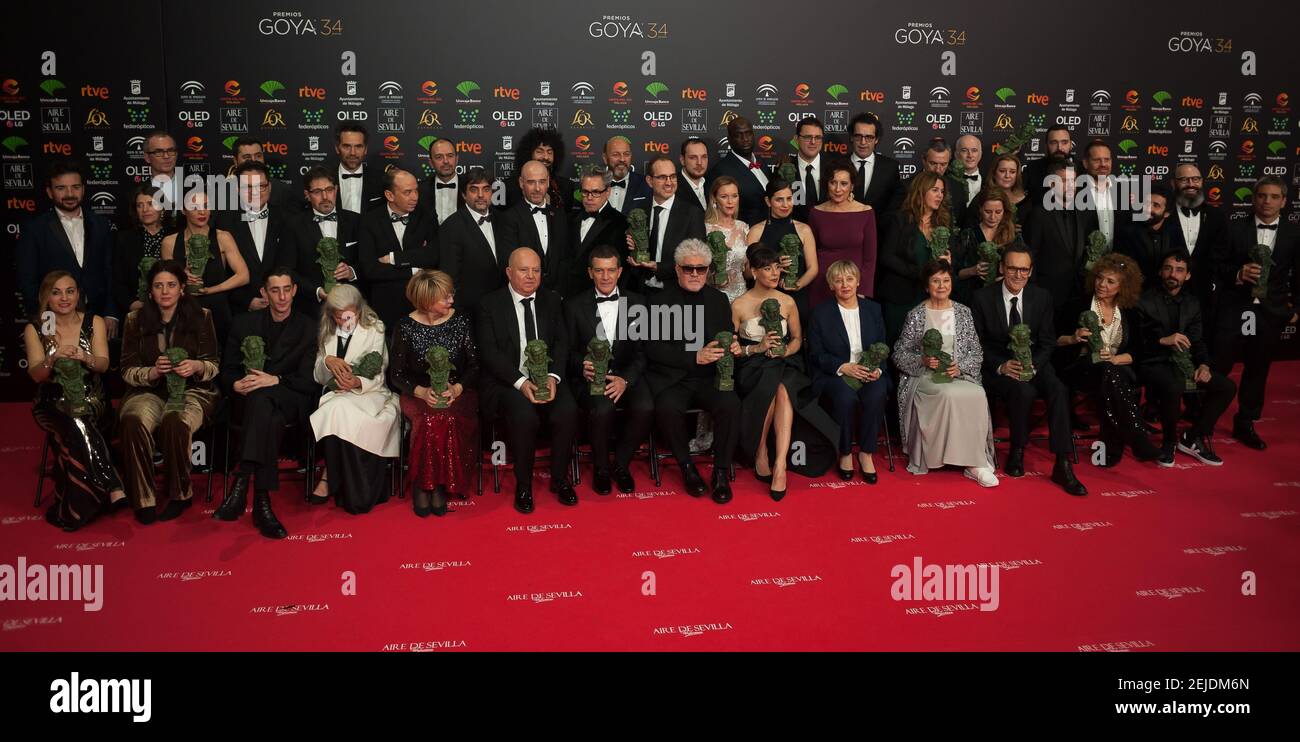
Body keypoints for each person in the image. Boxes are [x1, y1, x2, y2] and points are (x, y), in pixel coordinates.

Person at [970, 245, 1087, 494]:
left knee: (1058, 390)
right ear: (1002, 268)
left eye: (1024, 269)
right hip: (999, 366)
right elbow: (977, 343)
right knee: (1023, 391)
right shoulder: (982, 298)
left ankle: (1063, 463)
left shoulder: (1041, 297)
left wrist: (1033, 365)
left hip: (1035, 362)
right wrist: (1001, 366)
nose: (1018, 275)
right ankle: (1017, 449)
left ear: (1031, 271)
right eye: (1013, 268)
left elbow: (1048, 341)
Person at [730, 243, 840, 501]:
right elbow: (733, 350)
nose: (774, 273)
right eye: (767, 268)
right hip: (752, 365)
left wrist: (784, 351)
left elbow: (798, 339)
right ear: (754, 272)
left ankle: (779, 464)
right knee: (771, 384)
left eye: (777, 268)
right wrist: (757, 348)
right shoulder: (739, 305)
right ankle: (760, 452)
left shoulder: (788, 301)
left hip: (785, 362)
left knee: (781, 387)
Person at [213, 268, 317, 538]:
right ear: (264, 292)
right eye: (275, 290)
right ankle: (262, 502)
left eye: (287, 289)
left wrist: (276, 379)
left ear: (295, 290)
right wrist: (235, 384)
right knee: (266, 413)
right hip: (251, 401)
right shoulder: (243, 323)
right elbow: (227, 370)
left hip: (289, 396)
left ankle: (242, 479)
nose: (282, 297)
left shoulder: (308, 327)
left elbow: (308, 381)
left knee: (263, 399)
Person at [475, 248, 578, 513]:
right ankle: (524, 485)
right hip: (507, 380)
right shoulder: (489, 304)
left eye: (536, 270)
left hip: (548, 377)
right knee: (525, 416)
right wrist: (521, 382)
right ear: (509, 272)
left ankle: (560, 479)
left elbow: (562, 343)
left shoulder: (553, 300)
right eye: (524, 270)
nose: (531, 276)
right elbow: (489, 353)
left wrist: (553, 377)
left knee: (567, 411)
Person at [118, 260, 221, 524]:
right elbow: (127, 370)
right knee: (132, 419)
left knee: (175, 420)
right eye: (158, 286)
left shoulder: (203, 316)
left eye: (171, 285)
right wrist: (152, 372)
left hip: (193, 390)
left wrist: (196, 366)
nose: (165, 291)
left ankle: (180, 494)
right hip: (148, 391)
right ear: (150, 291)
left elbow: (213, 365)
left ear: (182, 288)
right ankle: (144, 498)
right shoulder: (134, 320)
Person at [24, 272, 126, 530]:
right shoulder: (39, 327)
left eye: (70, 291)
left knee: (79, 417)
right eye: (56, 292)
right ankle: (111, 482)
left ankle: (77, 508)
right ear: (46, 297)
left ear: (78, 294)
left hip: (92, 397)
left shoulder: (93, 322)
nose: (64, 298)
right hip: (53, 401)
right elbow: (37, 376)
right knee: (75, 418)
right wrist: (52, 358)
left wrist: (85, 357)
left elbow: (103, 365)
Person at [643, 239, 741, 503]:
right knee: (666, 408)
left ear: (708, 270)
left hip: (710, 378)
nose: (695, 274)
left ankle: (721, 472)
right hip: (673, 379)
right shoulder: (658, 301)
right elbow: (652, 349)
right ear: (677, 269)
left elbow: (727, 335)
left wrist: (732, 345)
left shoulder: (719, 299)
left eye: (701, 268)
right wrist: (694, 356)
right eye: (689, 268)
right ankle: (687, 468)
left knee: (730, 405)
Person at [893, 260, 998, 487]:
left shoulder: (963, 312)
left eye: (946, 280)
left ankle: (975, 463)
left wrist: (960, 366)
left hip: (959, 375)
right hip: (924, 377)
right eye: (935, 281)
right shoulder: (916, 314)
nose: (941, 286)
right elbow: (899, 354)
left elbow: (976, 352)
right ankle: (949, 458)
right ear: (926, 286)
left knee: (977, 394)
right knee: (947, 394)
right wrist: (921, 360)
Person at [1213, 175, 1300, 450]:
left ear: (1284, 201)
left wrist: (1296, 308)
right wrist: (1238, 273)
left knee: (1258, 368)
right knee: (1220, 363)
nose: (1267, 201)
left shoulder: (1294, 233)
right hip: (1234, 307)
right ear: (1254, 198)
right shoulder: (1234, 228)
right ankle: (1203, 415)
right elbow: (1216, 266)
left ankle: (1246, 422)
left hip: (1270, 311)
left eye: (1274, 197)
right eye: (1262, 195)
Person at [388, 270, 480, 516]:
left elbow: (475, 366)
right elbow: (396, 374)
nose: (452, 300)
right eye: (445, 297)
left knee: (446, 416)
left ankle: (439, 484)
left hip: (459, 390)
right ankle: (423, 484)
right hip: (417, 392)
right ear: (427, 301)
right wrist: (420, 392)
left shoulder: (461, 320)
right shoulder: (405, 326)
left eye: (451, 294)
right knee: (429, 418)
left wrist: (457, 388)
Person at [563, 246, 653, 494]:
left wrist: (625, 379)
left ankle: (621, 465)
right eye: (599, 271)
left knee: (646, 408)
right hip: (591, 378)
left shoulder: (638, 302)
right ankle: (601, 468)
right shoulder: (573, 305)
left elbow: (643, 352)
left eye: (611, 270)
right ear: (590, 272)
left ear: (620, 272)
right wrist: (582, 366)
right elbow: (566, 351)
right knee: (603, 409)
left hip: (627, 373)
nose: (605, 277)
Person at [1057, 253, 1160, 466]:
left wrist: (1114, 358)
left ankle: (1113, 449)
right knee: (1108, 374)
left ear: (1123, 286)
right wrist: (1073, 338)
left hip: (1115, 371)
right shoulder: (1077, 304)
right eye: (1099, 278)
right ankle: (1137, 437)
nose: (1102, 284)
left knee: (1109, 374)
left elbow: (1139, 351)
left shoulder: (1130, 312)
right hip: (1080, 369)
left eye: (1110, 281)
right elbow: (1053, 340)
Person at [1137, 250, 1236, 466]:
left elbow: (1197, 341)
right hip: (1152, 361)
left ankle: (1192, 436)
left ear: (1188, 275)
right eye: (1168, 268)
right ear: (1160, 271)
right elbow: (1134, 341)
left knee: (1227, 387)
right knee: (1173, 385)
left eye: (1179, 270)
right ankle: (1169, 442)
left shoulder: (1192, 303)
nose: (1173, 274)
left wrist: (1204, 364)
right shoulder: (1143, 301)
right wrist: (1162, 340)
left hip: (1184, 363)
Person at [310, 284, 401, 513]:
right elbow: (318, 376)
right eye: (339, 316)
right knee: (336, 405)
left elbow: (379, 373)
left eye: (349, 315)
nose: (345, 321)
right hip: (336, 393)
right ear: (331, 314)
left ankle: (329, 475)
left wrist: (357, 382)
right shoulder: (327, 329)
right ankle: (334, 476)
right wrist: (327, 361)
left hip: (369, 394)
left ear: (359, 310)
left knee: (335, 408)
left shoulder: (375, 328)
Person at [808, 260, 890, 483]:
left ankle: (866, 453)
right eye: (838, 280)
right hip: (836, 373)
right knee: (845, 398)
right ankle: (844, 452)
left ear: (858, 282)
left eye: (849, 279)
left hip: (868, 372)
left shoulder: (873, 309)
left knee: (877, 393)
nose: (845, 284)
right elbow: (816, 354)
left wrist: (877, 370)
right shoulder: (820, 313)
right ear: (831, 285)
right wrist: (843, 367)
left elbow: (883, 344)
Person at [17, 160, 118, 335]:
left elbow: (110, 271)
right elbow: (27, 279)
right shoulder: (35, 229)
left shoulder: (101, 224)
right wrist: (43, 318)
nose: (70, 194)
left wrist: (111, 312)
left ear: (83, 189)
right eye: (61, 188)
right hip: (54, 320)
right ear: (50, 192)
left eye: (75, 187)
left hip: (98, 316)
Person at [160, 190, 251, 347]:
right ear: (183, 210)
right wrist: (181, 276)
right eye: (195, 207)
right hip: (183, 310)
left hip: (218, 310)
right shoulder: (169, 242)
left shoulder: (223, 237)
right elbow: (166, 280)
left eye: (206, 206)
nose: (202, 212)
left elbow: (243, 276)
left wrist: (211, 290)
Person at [356, 168, 440, 327]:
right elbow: (370, 269)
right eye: (408, 192)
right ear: (390, 195)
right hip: (385, 305)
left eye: (416, 190)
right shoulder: (370, 220)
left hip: (421, 304)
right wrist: (413, 270)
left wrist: (394, 258)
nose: (415, 197)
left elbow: (433, 255)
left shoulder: (426, 215)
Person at [1026, 156, 1099, 332]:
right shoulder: (1038, 214)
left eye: (1073, 181)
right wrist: (1034, 293)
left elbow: (1093, 248)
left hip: (1080, 292)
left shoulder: (1087, 211)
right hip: (1048, 294)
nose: (1071, 186)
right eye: (1065, 181)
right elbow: (1030, 254)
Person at [878, 171, 952, 343]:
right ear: (921, 191)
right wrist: (919, 273)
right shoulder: (900, 219)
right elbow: (886, 256)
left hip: (931, 297)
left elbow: (948, 256)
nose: (940, 195)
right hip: (900, 296)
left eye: (942, 191)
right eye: (935, 190)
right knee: (897, 345)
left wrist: (948, 262)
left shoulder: (943, 222)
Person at [220, 161, 299, 317]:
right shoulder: (224, 222)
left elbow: (293, 264)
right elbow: (221, 272)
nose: (255, 192)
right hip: (239, 311)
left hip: (283, 308)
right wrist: (246, 300)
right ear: (237, 189)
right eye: (248, 187)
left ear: (269, 187)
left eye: (261, 186)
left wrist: (276, 296)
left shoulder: (288, 219)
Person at [624, 155, 707, 293]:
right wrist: (632, 247)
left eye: (672, 177)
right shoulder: (638, 210)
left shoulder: (692, 214)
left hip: (675, 291)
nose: (669, 182)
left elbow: (696, 258)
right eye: (662, 177)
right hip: (639, 290)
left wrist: (658, 267)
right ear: (649, 181)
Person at [290, 165, 361, 316]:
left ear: (336, 190)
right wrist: (316, 291)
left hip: (352, 307)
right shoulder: (294, 226)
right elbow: (287, 269)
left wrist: (352, 271)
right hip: (310, 310)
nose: (325, 197)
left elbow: (368, 261)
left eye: (329, 190)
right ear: (307, 195)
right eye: (317, 192)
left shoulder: (356, 221)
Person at [746, 179, 819, 320]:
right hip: (763, 300)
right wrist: (773, 264)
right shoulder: (756, 231)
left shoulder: (804, 230)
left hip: (797, 297)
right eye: (779, 200)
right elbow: (748, 273)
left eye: (789, 199)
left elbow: (813, 268)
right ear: (768, 201)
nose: (785, 205)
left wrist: (798, 284)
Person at [497, 160, 572, 293]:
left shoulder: (560, 215)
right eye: (531, 182)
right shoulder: (509, 218)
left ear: (548, 182)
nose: (537, 188)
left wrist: (558, 293)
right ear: (521, 183)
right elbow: (510, 262)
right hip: (524, 294)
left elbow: (564, 258)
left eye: (542, 182)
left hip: (556, 295)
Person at [809, 161, 877, 307]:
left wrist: (863, 289)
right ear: (827, 184)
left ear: (852, 186)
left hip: (853, 285)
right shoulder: (816, 212)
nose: (838, 189)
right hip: (823, 283)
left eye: (844, 183)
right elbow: (810, 254)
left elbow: (870, 258)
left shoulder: (865, 212)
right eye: (833, 182)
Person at [437, 168, 504, 315]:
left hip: (503, 306)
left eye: (486, 189)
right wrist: (458, 314)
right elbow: (450, 277)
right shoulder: (451, 226)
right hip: (471, 309)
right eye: (474, 190)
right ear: (463, 194)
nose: (481, 195)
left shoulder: (504, 220)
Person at [1166, 162, 1227, 312]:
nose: (1191, 184)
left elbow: (1221, 255)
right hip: (1166, 293)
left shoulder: (1216, 216)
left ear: (1202, 182)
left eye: (1195, 179)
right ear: (1173, 183)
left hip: (1205, 296)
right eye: (1184, 180)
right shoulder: (1164, 214)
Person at [953, 187, 1025, 304]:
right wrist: (973, 270)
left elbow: (1023, 266)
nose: (993, 217)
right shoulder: (968, 235)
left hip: (1004, 299)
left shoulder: (1013, 236)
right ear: (980, 209)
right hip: (971, 298)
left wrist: (1007, 278)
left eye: (998, 212)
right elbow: (955, 273)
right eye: (988, 211)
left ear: (1004, 211)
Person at [112, 183, 173, 320]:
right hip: (136, 310)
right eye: (140, 205)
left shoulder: (175, 235)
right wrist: (132, 304)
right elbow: (117, 279)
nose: (145, 209)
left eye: (151, 204)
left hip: (173, 309)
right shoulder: (124, 239)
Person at [568, 166, 628, 296]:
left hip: (602, 297)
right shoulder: (570, 220)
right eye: (585, 192)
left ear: (607, 192)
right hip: (570, 297)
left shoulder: (621, 223)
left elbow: (624, 271)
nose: (589, 197)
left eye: (595, 192)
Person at [705, 116, 770, 227]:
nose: (745, 139)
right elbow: (714, 209)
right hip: (744, 232)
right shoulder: (720, 171)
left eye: (748, 133)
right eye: (738, 135)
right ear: (729, 139)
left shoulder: (762, 163)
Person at [848, 112, 902, 232]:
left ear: (876, 139)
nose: (863, 142)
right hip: (844, 231)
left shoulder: (890, 167)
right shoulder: (837, 164)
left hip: (879, 234)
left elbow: (894, 206)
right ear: (851, 137)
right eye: (858, 136)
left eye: (869, 137)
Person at [1115, 181, 1174, 290]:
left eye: (1156, 205)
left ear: (1167, 213)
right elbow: (1121, 267)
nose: (1148, 209)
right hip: (1134, 292)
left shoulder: (1172, 234)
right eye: (1146, 203)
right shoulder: (1127, 233)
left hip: (1163, 294)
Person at [703, 176, 751, 303]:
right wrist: (713, 279)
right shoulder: (705, 229)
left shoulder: (744, 227)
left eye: (734, 196)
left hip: (741, 297)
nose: (730, 201)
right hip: (714, 298)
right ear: (714, 199)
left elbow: (747, 271)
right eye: (724, 197)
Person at [507, 127, 574, 211]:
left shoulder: (566, 187)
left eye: (549, 152)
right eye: (539, 151)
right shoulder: (511, 187)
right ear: (528, 154)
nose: (546, 157)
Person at [333, 123, 385, 213]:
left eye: (358, 146)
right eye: (346, 146)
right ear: (337, 148)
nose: (352, 153)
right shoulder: (325, 178)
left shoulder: (381, 179)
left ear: (365, 149)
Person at [1023, 124, 1076, 205]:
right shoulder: (1032, 168)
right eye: (1053, 143)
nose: (1059, 148)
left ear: (1070, 144)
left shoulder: (1081, 168)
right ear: (1046, 145)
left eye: (1064, 142)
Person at [790, 116, 827, 222]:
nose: (813, 142)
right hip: (796, 229)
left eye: (818, 137)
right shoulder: (785, 168)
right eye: (807, 137)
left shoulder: (833, 167)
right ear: (796, 139)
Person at [984, 152, 1032, 233]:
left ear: (1017, 175)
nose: (1007, 176)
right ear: (994, 173)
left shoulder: (1027, 202)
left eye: (1012, 172)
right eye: (1002, 171)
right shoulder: (983, 198)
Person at [419, 137, 463, 224]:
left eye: (450, 156)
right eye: (439, 157)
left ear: (457, 159)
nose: (446, 161)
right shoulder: (419, 190)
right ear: (431, 162)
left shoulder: (469, 187)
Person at [603, 135, 651, 214]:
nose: (622, 159)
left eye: (626, 154)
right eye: (616, 154)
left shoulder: (646, 184)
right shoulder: (595, 184)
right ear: (605, 158)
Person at [677, 136, 710, 212]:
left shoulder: (713, 184)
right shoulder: (673, 188)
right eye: (693, 157)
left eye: (704, 157)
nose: (699, 162)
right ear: (682, 160)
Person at [954, 134, 984, 213]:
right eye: (964, 150)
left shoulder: (990, 180)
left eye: (974, 150)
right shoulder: (947, 181)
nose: (970, 155)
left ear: (980, 154)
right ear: (956, 154)